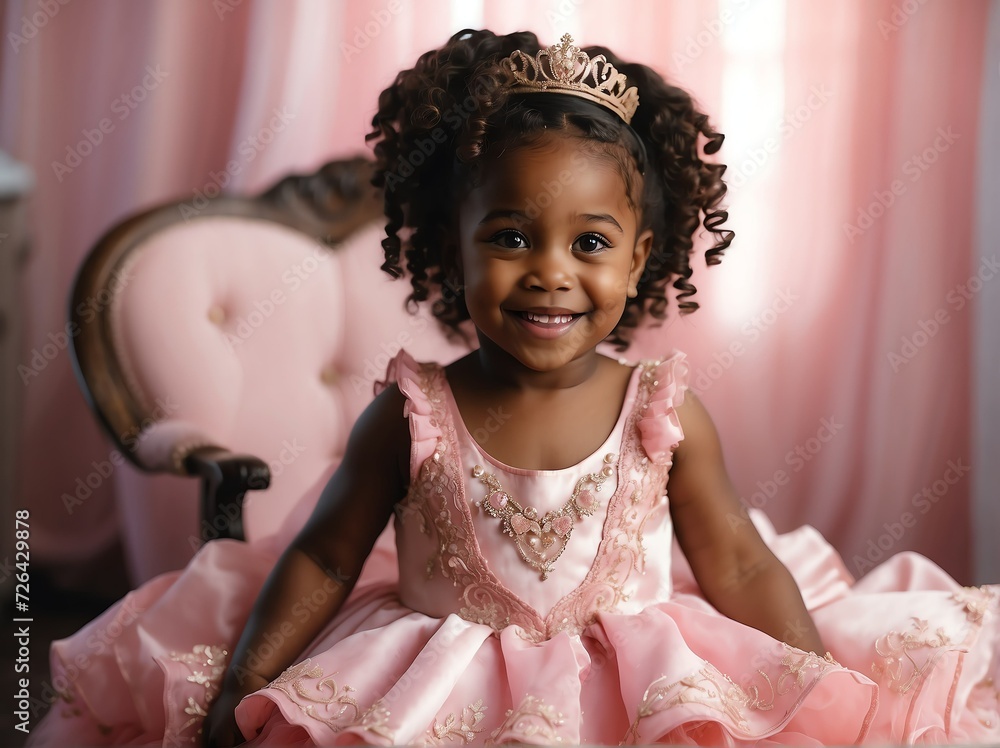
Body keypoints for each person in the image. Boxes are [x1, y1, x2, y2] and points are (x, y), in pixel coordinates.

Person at [32, 29, 998, 747]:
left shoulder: (662, 411)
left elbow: (738, 564)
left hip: (632, 683)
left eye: (589, 243)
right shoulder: (411, 412)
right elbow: (326, 557)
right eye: (508, 237)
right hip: (436, 680)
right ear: (451, 249)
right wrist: (246, 678)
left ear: (639, 259)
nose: (549, 272)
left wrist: (807, 686)